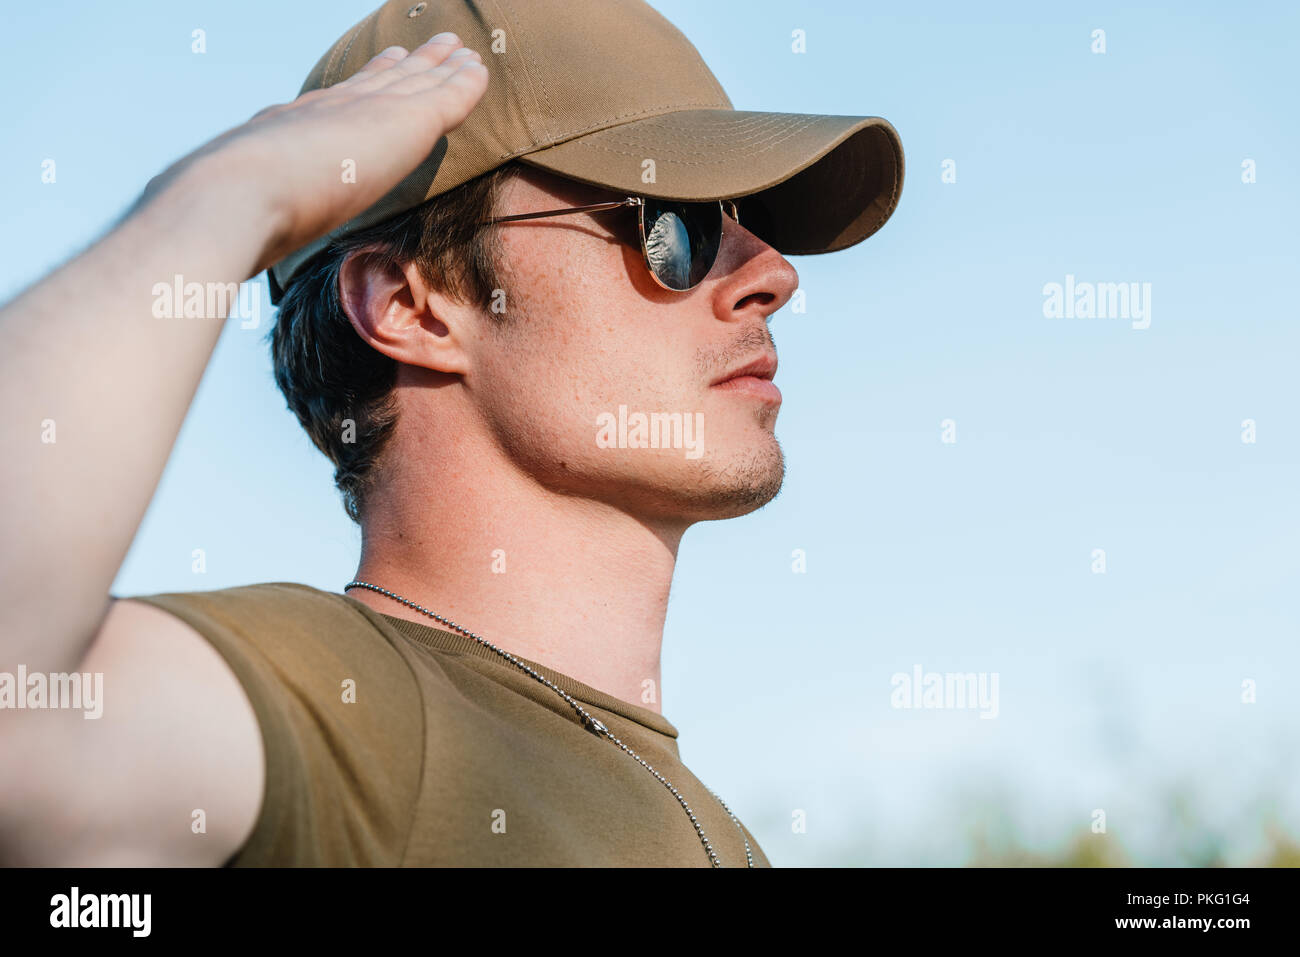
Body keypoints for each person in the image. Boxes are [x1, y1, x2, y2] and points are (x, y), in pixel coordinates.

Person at [0, 0, 903, 866]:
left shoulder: (719, 829)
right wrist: (224, 195)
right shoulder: (359, 710)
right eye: (677, 224)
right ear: (409, 306)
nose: (773, 275)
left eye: (758, 222)